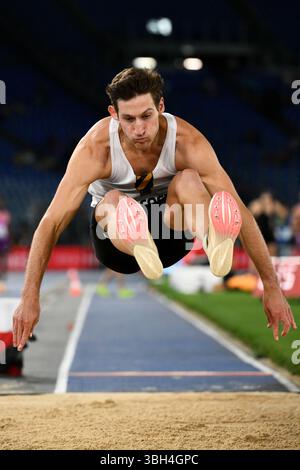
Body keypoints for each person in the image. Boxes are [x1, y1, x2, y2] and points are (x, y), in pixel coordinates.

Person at [13, 67, 297, 351]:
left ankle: (212, 240)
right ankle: (136, 239)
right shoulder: (95, 149)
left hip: (172, 231)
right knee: (112, 199)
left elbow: (240, 212)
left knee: (188, 179)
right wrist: (29, 297)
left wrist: (271, 286)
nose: (139, 129)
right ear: (113, 113)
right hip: (115, 244)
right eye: (129, 119)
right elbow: (51, 222)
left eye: (146, 116)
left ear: (161, 107)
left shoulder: (187, 142)